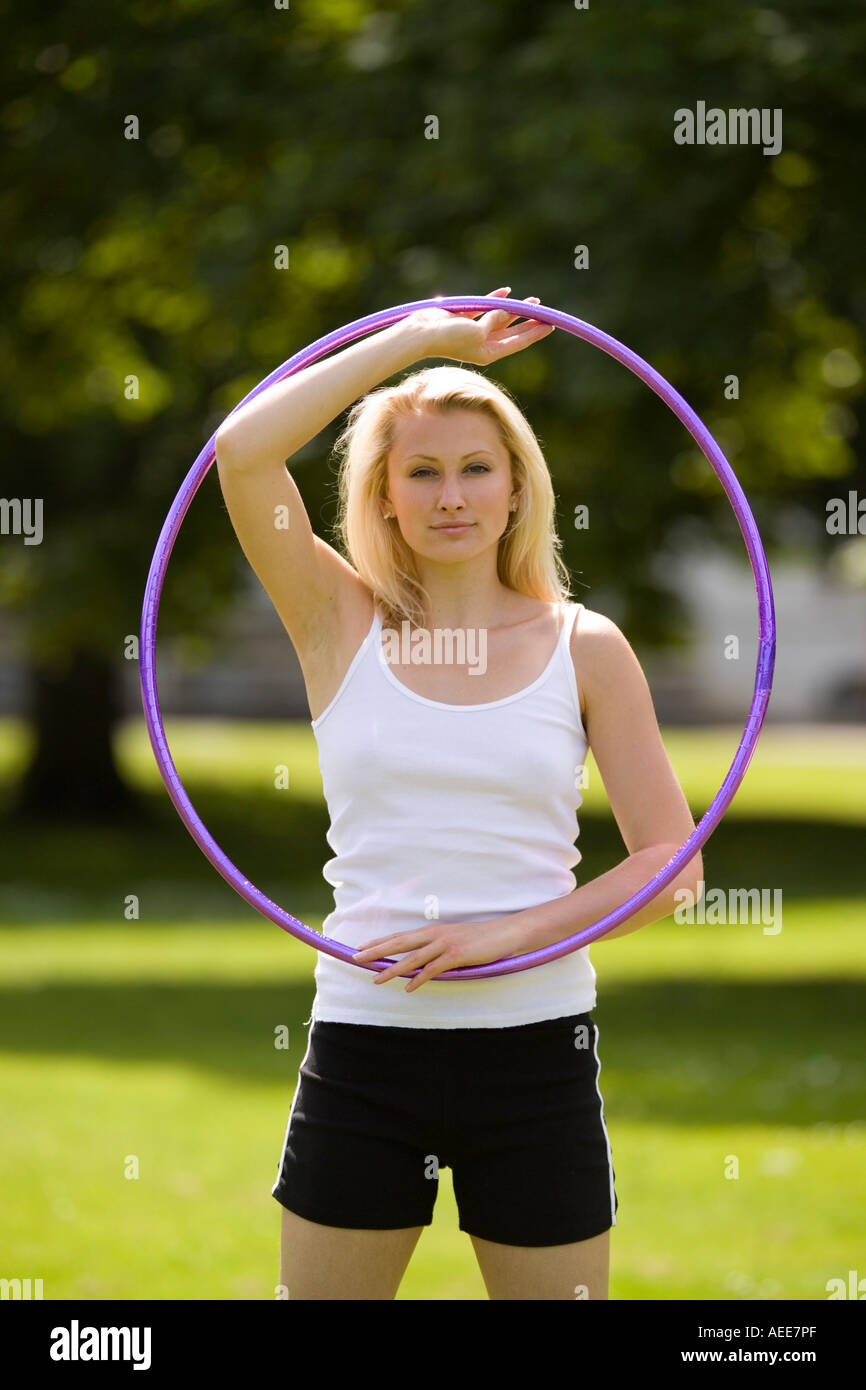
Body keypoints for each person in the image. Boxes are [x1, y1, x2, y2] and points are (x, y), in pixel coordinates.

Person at [214, 287, 703, 1300]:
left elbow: (671, 868)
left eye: (476, 468)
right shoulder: (336, 622)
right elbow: (243, 452)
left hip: (535, 1054)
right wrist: (415, 344)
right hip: (364, 1043)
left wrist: (501, 937)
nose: (450, 495)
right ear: (383, 494)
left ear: (516, 489)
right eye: (421, 470)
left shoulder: (585, 647)